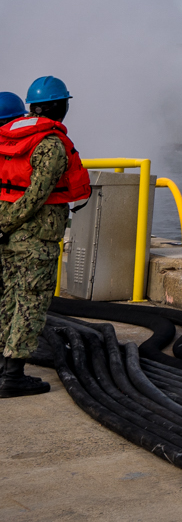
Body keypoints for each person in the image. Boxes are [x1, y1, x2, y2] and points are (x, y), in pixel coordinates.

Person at [1, 77, 88, 398]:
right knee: (31, 303)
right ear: (57, 106)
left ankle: (2, 365)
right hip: (35, 239)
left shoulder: (9, 136)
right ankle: (13, 376)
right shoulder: (49, 143)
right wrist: (9, 222)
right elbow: (36, 196)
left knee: (7, 299)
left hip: (8, 238)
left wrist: (3, 225)